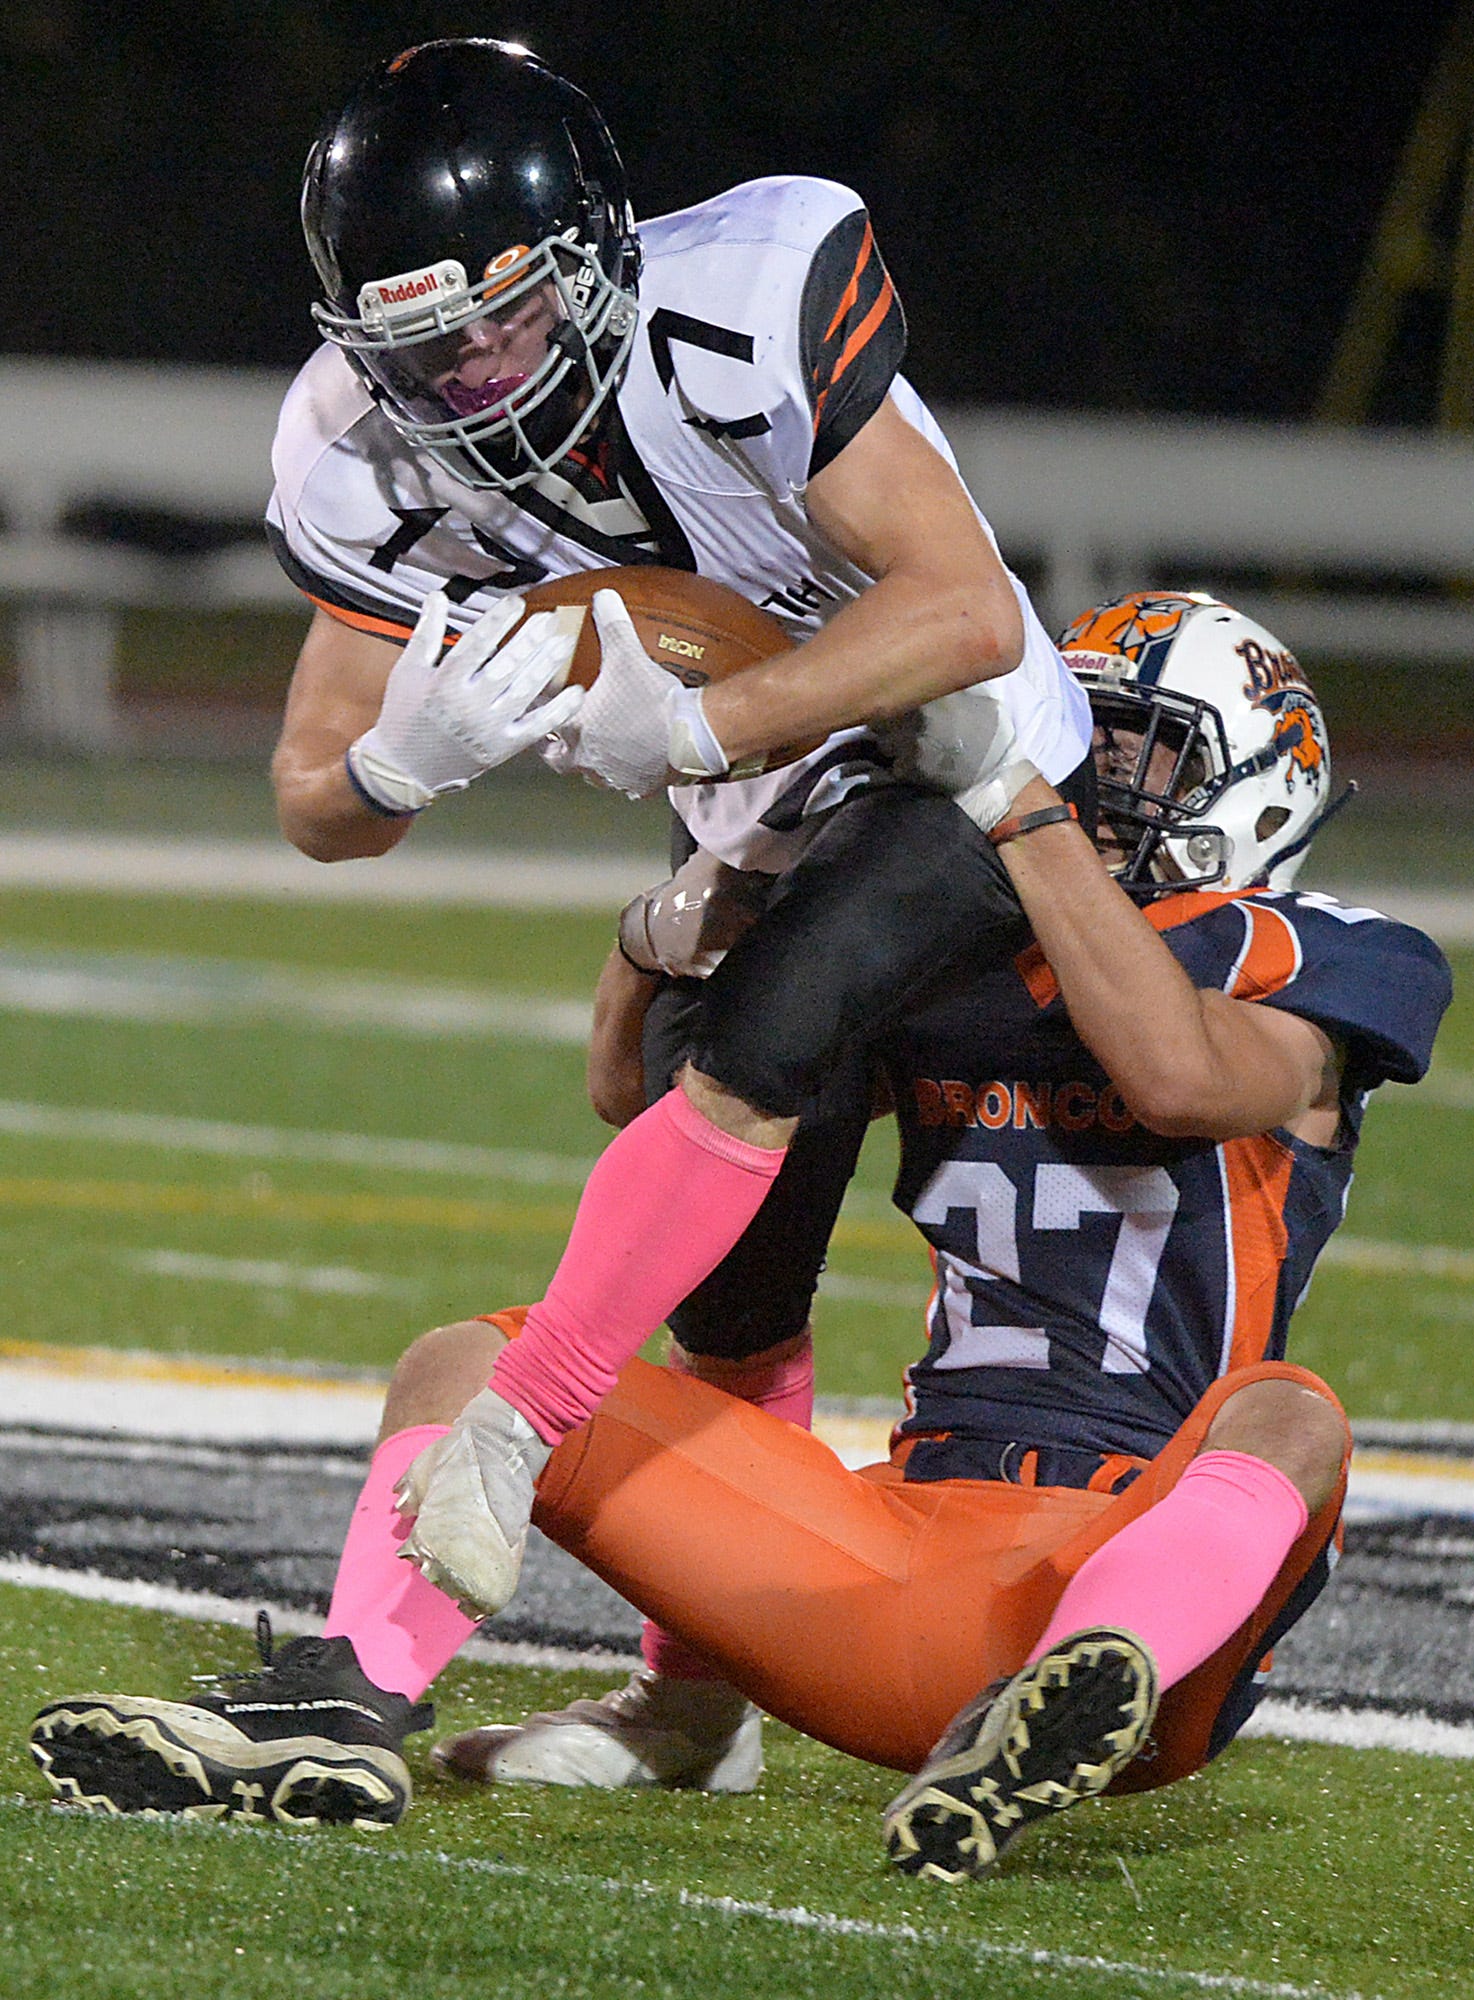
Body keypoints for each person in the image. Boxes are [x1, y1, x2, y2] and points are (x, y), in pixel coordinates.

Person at [30, 593, 1453, 1882]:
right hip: (901, 1560)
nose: (1095, 777)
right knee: (467, 1363)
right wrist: (662, 934)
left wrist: (1018, 811)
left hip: (1145, 1559)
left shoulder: (1328, 954)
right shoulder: (969, 943)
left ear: (1257, 784)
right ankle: (343, 1705)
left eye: (1136, 752)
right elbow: (648, 1098)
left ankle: (1082, 1683)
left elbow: (1179, 1076)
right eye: (1085, 739)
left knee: (1287, 1413)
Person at [260, 35, 1092, 1701]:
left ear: (592, 260)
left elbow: (961, 611)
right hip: (748, 802)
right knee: (733, 1298)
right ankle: (692, 1707)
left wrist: (709, 729)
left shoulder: (743, 299)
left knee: (762, 1038)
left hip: (961, 756)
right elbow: (312, 802)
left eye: (499, 320)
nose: (470, 376)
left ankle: (515, 1430)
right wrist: (396, 765)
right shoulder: (360, 445)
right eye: (420, 347)